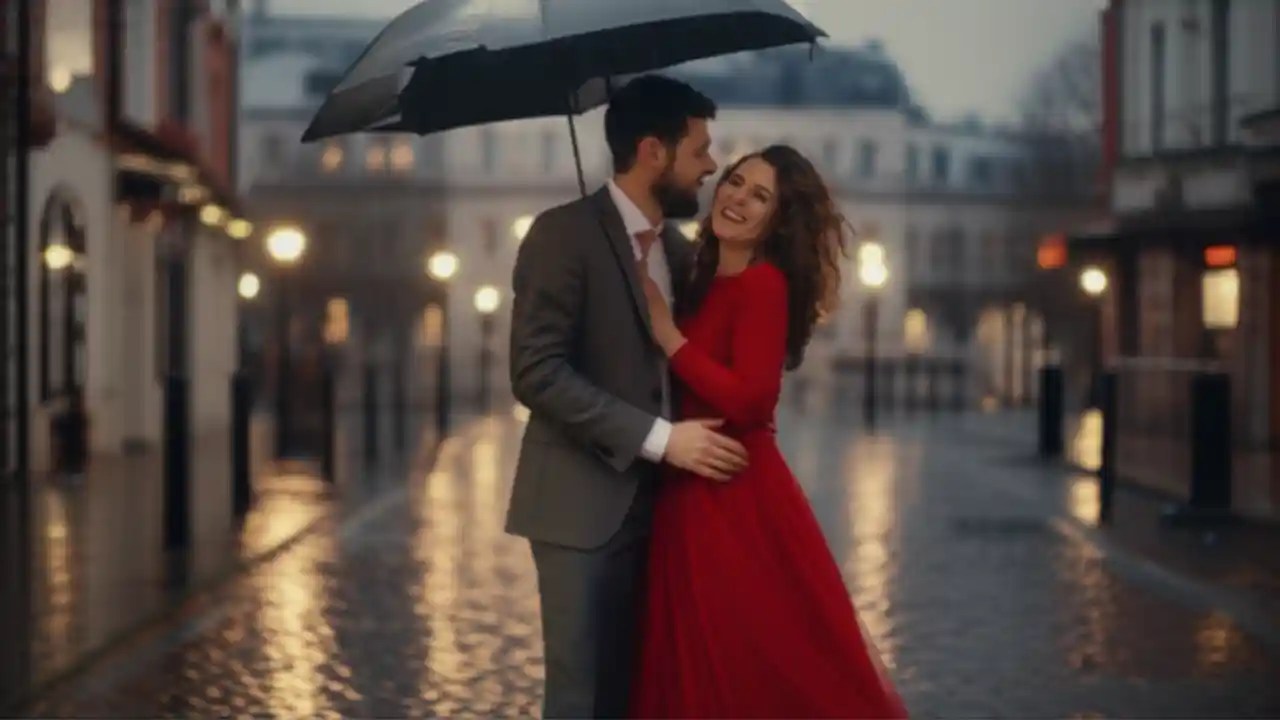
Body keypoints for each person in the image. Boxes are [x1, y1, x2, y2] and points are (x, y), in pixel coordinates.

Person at [629, 145, 910, 719]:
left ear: (777, 220)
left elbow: (753, 401)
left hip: (737, 495)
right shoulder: (701, 275)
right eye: (735, 182)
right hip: (692, 488)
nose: (737, 198)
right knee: (696, 663)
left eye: (761, 197)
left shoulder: (763, 285)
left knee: (749, 665)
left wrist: (668, 334)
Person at [505, 75, 751, 718]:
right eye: (699, 150)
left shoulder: (680, 250)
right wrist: (662, 438)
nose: (711, 166)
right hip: (579, 512)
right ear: (653, 152)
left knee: (642, 693)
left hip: (667, 515)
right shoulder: (561, 235)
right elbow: (536, 371)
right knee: (582, 696)